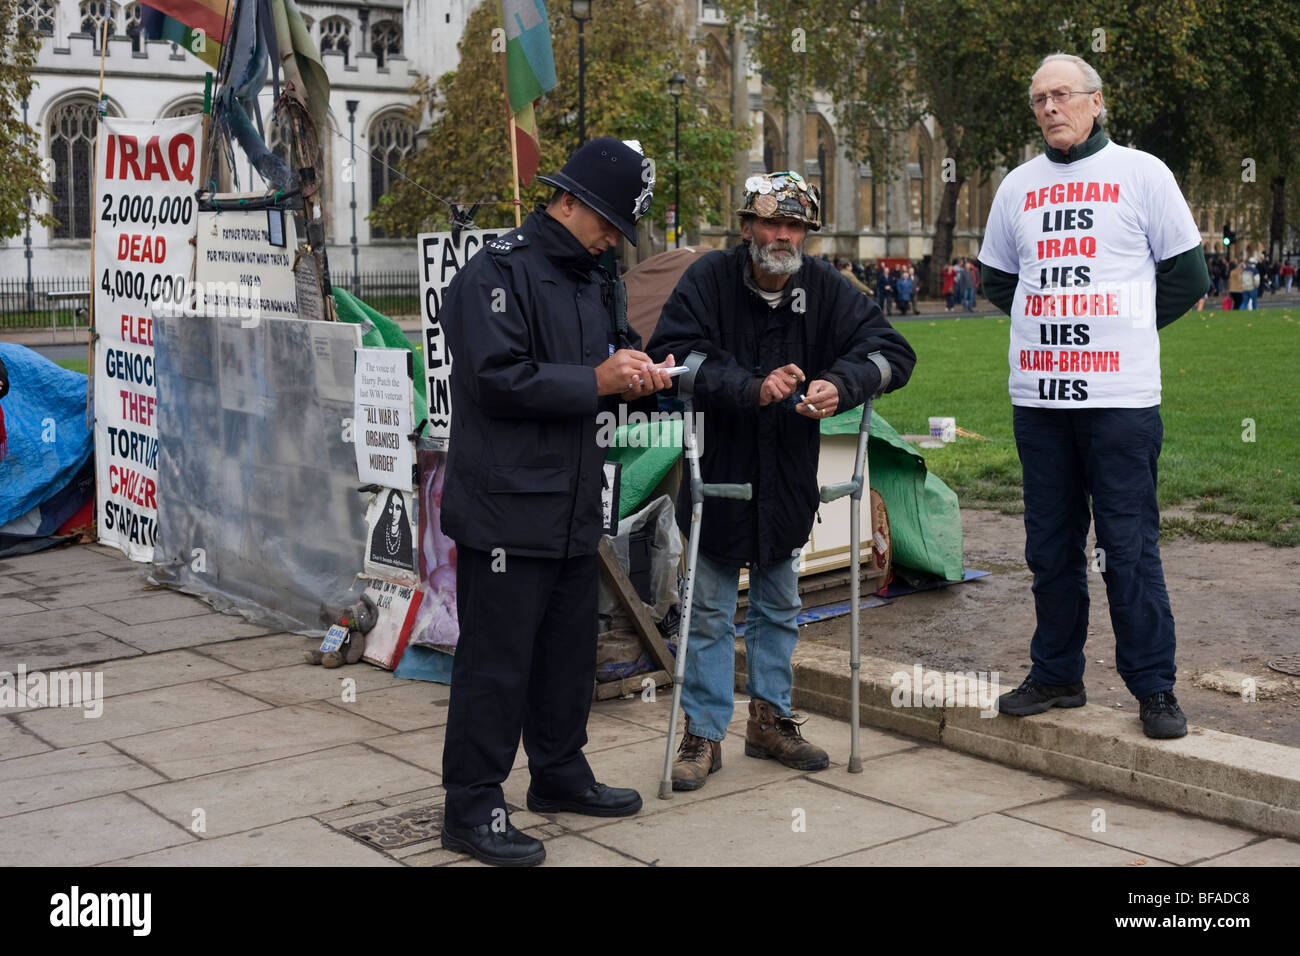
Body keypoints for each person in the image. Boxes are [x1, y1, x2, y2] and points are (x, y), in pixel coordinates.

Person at [437, 138, 675, 865]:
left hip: (574, 500)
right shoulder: (496, 273)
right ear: (566, 199)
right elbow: (494, 379)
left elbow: (611, 351)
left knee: (567, 656)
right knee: (496, 662)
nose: (613, 237)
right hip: (507, 509)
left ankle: (559, 773)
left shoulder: (596, 275)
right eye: (606, 220)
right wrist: (599, 380)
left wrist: (636, 373)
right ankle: (473, 805)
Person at [647, 170, 916, 790]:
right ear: (746, 228)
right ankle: (704, 733)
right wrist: (748, 386)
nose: (782, 235)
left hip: (789, 479)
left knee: (781, 605)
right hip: (719, 472)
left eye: (794, 225)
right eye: (770, 222)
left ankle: (770, 720)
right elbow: (673, 356)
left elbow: (891, 352)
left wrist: (841, 383)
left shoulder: (824, 287)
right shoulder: (709, 278)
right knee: (711, 610)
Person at [978, 53, 1209, 740]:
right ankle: (1056, 674)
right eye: (1039, 99)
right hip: (1040, 401)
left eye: (1063, 95)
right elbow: (997, 278)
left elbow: (1188, 273)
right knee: (1049, 545)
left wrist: (1120, 327)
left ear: (1096, 101)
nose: (1050, 108)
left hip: (1120, 400)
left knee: (1127, 546)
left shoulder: (1142, 173)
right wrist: (1049, 325)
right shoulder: (1017, 187)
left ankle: (1154, 688)